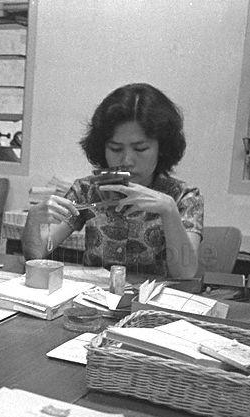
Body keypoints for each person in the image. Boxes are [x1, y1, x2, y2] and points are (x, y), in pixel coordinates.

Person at [21, 83, 203, 279]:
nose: (126, 161)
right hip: (94, 303)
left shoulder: (183, 197)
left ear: (162, 148)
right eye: (115, 149)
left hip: (150, 306)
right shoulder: (87, 191)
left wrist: (169, 212)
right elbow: (38, 254)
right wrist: (33, 221)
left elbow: (185, 274)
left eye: (140, 149)